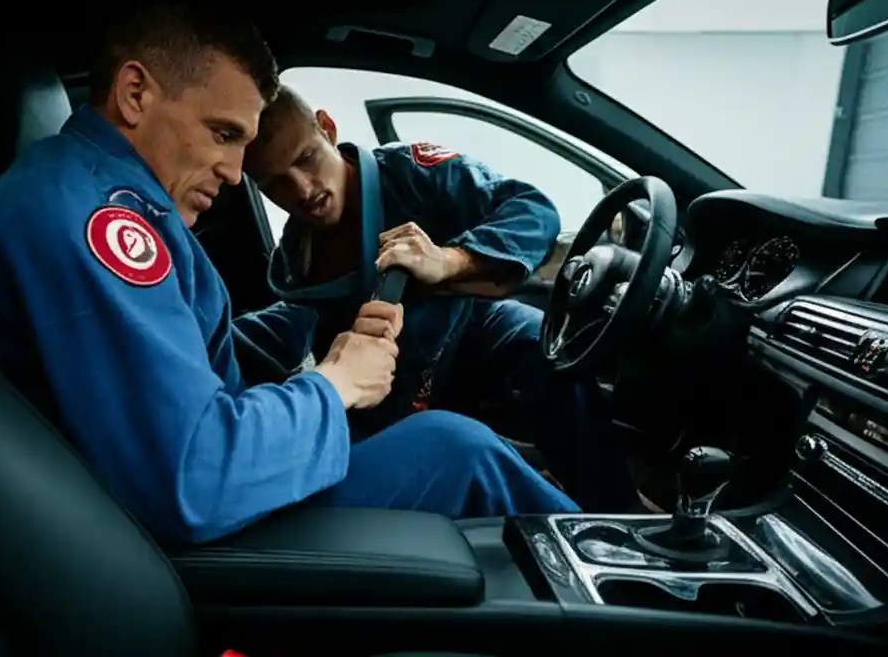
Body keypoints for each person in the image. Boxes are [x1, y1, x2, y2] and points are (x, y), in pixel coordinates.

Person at [0, 2, 579, 546]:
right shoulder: (94, 223)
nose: (237, 174)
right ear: (135, 95)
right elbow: (194, 475)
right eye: (222, 134)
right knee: (454, 449)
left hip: (134, 516)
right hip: (167, 551)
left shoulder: (80, 194)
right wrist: (334, 384)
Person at [242, 86, 637, 512]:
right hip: (391, 391)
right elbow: (294, 332)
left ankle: (617, 519)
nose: (301, 190)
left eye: (306, 159)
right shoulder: (293, 263)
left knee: (545, 346)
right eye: (275, 182)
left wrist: (447, 260)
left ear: (328, 129)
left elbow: (532, 210)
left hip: (468, 329)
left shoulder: (413, 172)